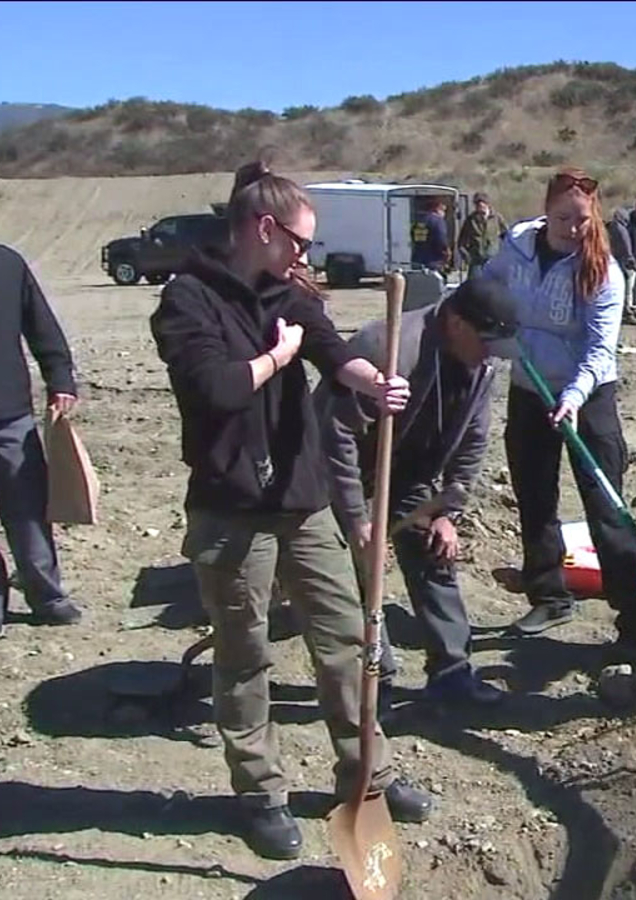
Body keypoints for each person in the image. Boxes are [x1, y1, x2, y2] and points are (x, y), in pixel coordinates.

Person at [149, 158, 434, 860]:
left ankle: (368, 771)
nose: (305, 256)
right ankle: (260, 794)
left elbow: (336, 354)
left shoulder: (288, 294)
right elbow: (215, 389)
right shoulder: (187, 299)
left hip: (302, 502)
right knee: (245, 657)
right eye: (298, 242)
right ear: (263, 227)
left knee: (346, 643)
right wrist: (278, 358)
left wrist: (375, 384)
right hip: (231, 506)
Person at [477, 168, 636, 683]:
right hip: (529, 389)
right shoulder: (517, 248)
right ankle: (549, 594)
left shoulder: (603, 271)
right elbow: (485, 288)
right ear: (545, 211)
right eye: (562, 218)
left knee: (606, 506)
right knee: (535, 497)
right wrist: (488, 323)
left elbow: (600, 349)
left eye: (582, 219)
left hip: (588, 395)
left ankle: (632, 618)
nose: (572, 228)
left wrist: (575, 396)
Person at [318, 278, 510, 709]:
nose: (492, 352)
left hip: (410, 471)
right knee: (360, 573)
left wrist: (448, 512)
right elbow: (336, 437)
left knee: (434, 552)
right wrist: (357, 521)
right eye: (487, 341)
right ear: (458, 323)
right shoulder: (387, 348)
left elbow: (473, 442)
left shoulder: (480, 364)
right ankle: (374, 680)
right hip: (342, 470)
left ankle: (451, 674)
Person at [0, 186, 84, 643]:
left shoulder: (5, 264)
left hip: (10, 414)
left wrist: (61, 381)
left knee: (28, 513)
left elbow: (41, 326)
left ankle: (47, 595)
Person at [458, 192, 503, 274]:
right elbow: (461, 242)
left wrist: (502, 255)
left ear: (488, 204)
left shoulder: (497, 218)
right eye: (477, 204)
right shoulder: (470, 220)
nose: (480, 206)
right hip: (476, 261)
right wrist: (468, 257)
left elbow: (506, 235)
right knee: (474, 284)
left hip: (493, 260)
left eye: (483, 203)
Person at [411, 197, 451, 274]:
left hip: (417, 259)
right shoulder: (437, 221)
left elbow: (413, 236)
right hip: (433, 260)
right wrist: (446, 252)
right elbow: (441, 239)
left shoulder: (418, 221)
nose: (444, 214)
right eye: (443, 210)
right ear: (437, 208)